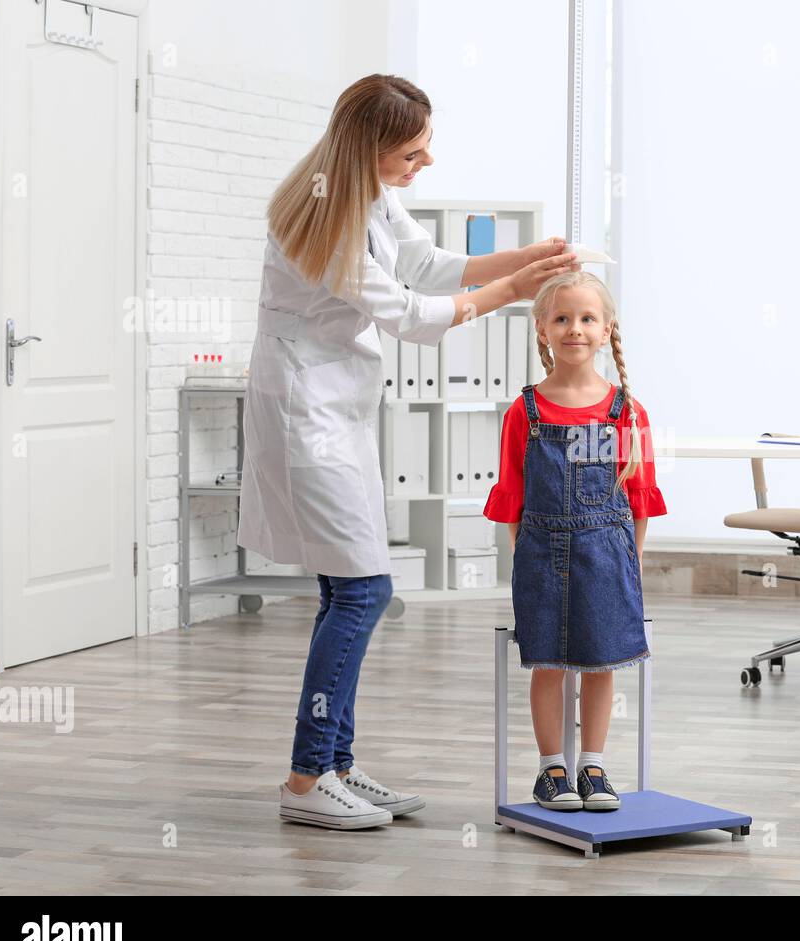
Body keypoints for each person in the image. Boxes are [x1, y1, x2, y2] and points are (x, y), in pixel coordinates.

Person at [237, 74, 579, 830]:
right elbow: (412, 313)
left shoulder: (368, 189)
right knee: (360, 592)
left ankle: (336, 764)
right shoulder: (325, 210)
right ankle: (304, 778)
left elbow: (426, 265)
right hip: (304, 415)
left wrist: (526, 257)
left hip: (337, 410)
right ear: (372, 146)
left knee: (347, 591)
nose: (424, 162)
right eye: (413, 152)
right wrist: (514, 288)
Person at [483, 271, 666, 811]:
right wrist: (527, 557)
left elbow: (640, 496)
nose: (575, 329)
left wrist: (628, 561)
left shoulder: (628, 412)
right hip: (541, 556)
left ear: (608, 329)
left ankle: (593, 765)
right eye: (561, 318)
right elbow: (512, 493)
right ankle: (550, 770)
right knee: (548, 663)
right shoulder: (525, 411)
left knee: (602, 663)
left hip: (607, 557)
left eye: (587, 319)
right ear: (542, 328)